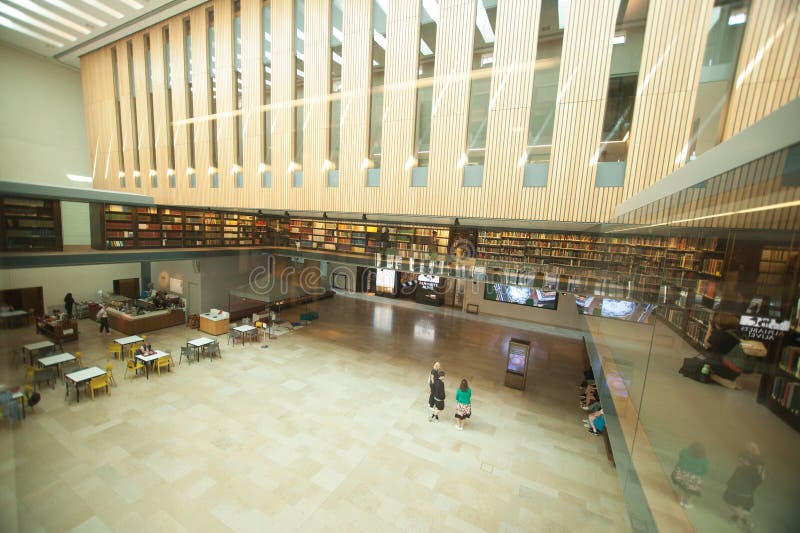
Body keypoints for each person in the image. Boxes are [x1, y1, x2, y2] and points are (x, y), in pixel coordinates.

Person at [723, 442, 764, 531]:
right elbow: (759, 480)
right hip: (748, 492)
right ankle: (737, 518)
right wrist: (756, 451)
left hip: (739, 490)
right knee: (740, 504)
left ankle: (744, 521)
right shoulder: (757, 469)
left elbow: (735, 478)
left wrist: (729, 484)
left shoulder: (743, 467)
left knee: (729, 501)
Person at [671, 443, 709, 509]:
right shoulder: (704, 460)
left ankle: (680, 500)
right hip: (694, 477)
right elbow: (705, 470)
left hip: (681, 473)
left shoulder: (685, 451)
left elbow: (680, 456)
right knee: (694, 491)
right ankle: (688, 503)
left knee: (681, 487)